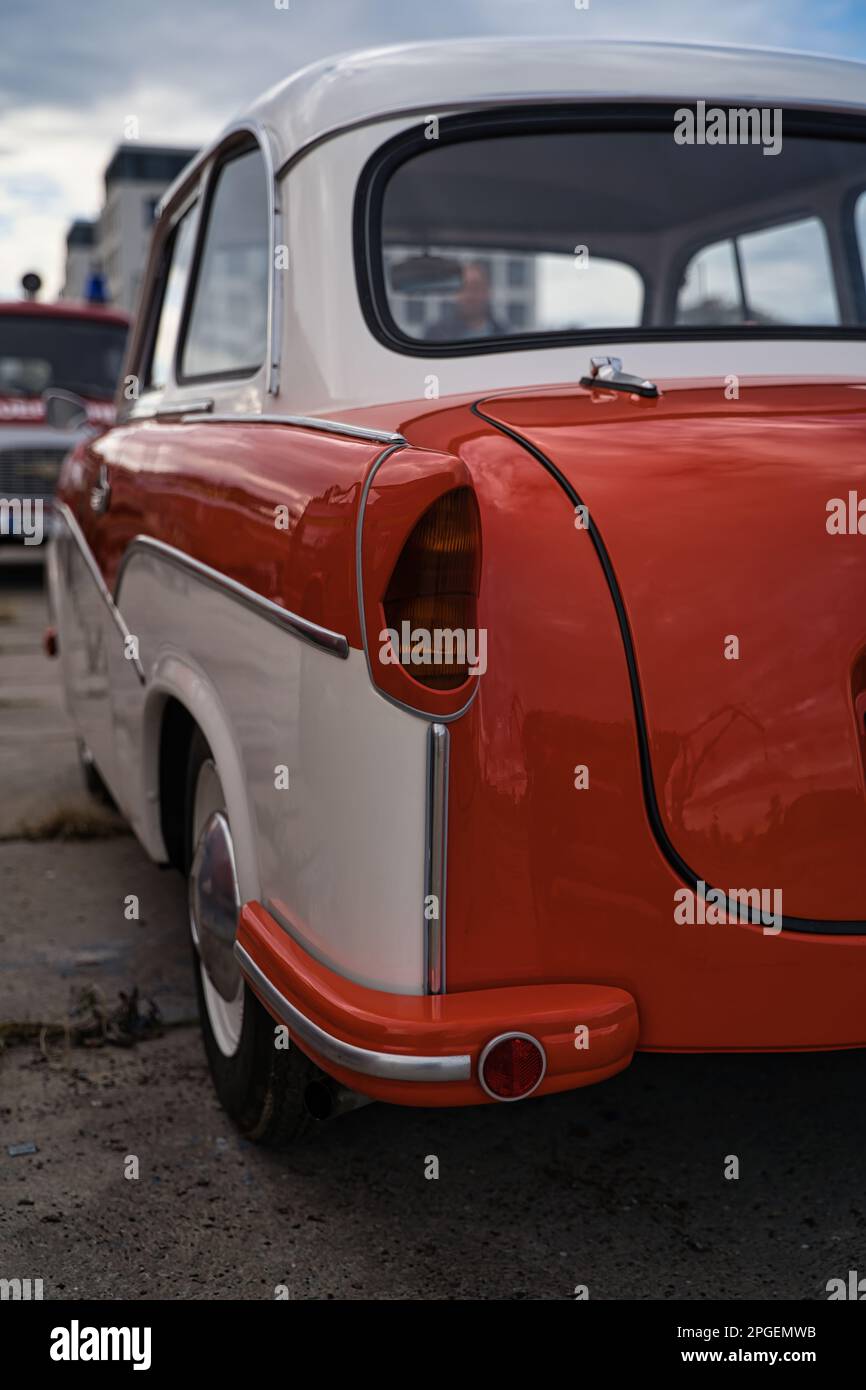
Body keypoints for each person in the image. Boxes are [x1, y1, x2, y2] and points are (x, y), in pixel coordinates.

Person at [426, 260, 505, 340]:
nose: (469, 294)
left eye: (475, 287)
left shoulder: (505, 335)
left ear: (487, 292)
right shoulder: (436, 335)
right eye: (463, 287)